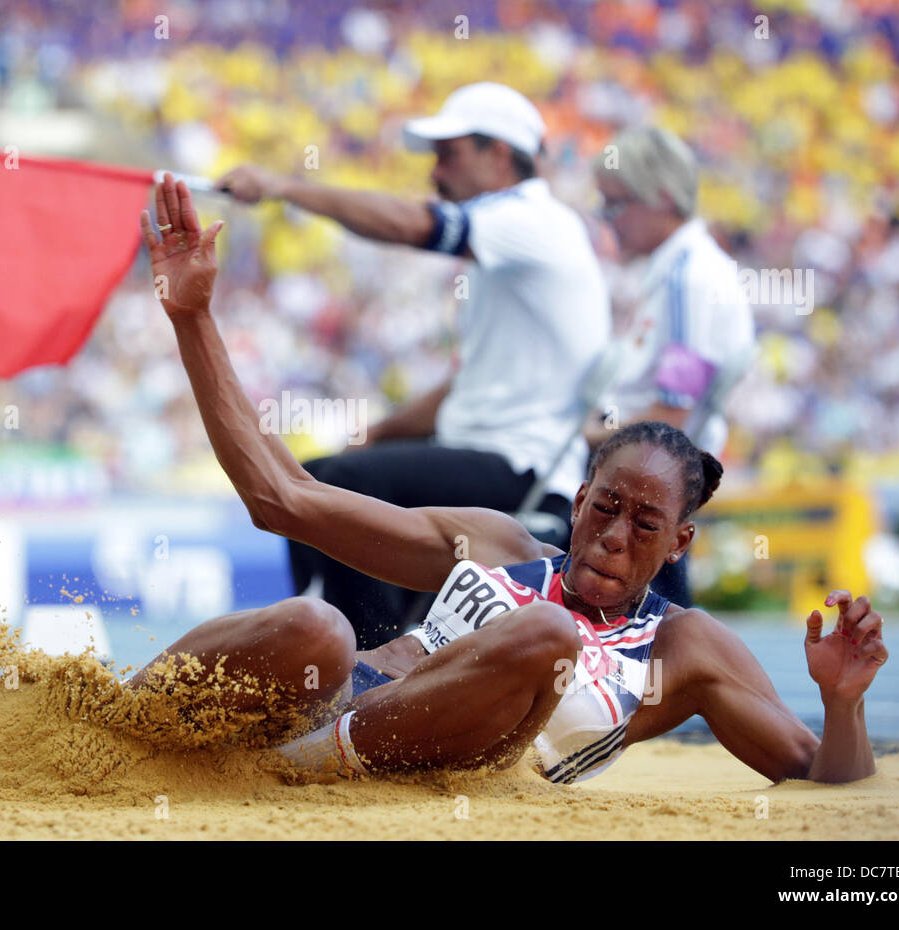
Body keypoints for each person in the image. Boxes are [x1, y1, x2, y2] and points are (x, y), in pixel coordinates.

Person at [131, 176, 887, 784]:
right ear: (581, 499)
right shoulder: (497, 542)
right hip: (332, 704)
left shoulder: (684, 647)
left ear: (680, 542)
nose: (614, 537)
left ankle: (299, 770)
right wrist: (192, 316)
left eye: (646, 525)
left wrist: (843, 703)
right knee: (315, 626)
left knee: (550, 636)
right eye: (606, 507)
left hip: (422, 768)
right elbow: (282, 499)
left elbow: (819, 771)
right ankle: (89, 726)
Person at [217, 82, 610, 648]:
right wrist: (376, 434)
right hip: (491, 453)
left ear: (498, 153)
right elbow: (466, 389)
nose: (435, 172)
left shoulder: (532, 221)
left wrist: (283, 187)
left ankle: (363, 669)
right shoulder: (511, 246)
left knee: (336, 484)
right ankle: (335, 644)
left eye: (447, 154)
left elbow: (408, 225)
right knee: (315, 478)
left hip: (522, 464)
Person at [588, 126, 756, 607]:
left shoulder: (689, 280)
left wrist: (583, 434)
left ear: (660, 198)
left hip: (644, 478)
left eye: (615, 204)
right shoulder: (676, 272)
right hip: (648, 477)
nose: (608, 220)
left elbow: (671, 418)